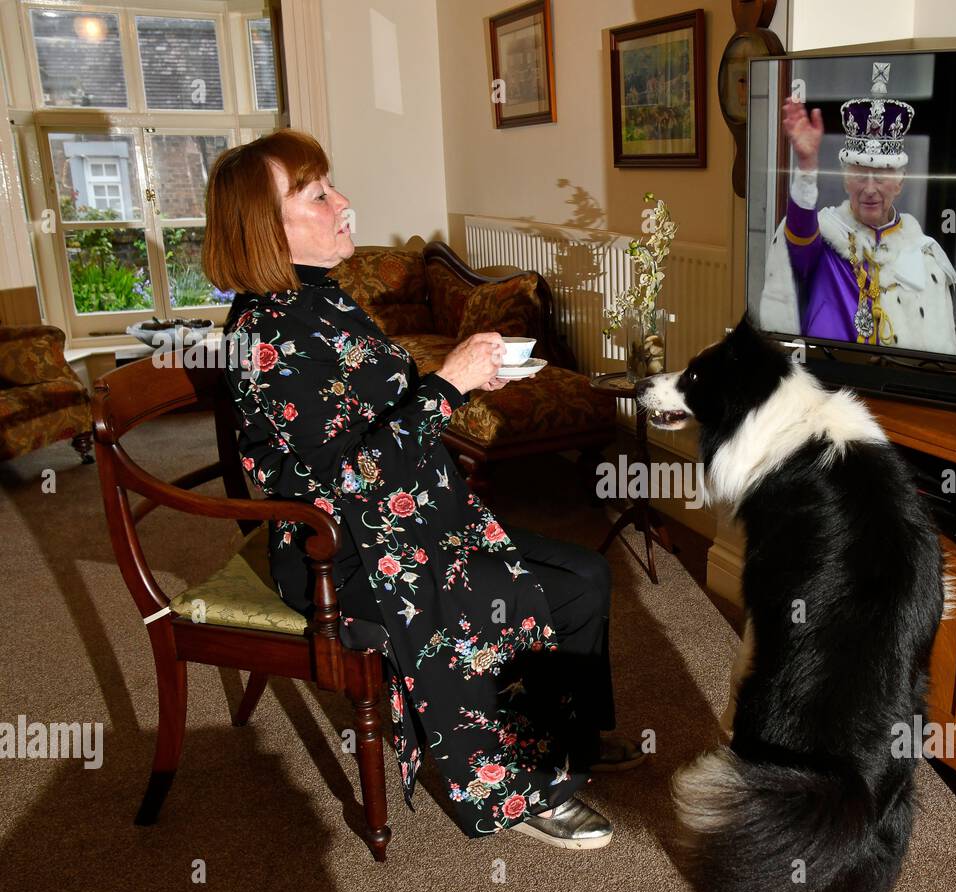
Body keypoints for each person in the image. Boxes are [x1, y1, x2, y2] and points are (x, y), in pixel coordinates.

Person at [202, 130, 641, 849]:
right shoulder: (268, 336)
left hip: (408, 521)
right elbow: (345, 478)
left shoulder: (319, 298)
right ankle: (523, 787)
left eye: (331, 185)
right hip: (340, 553)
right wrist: (446, 385)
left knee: (586, 575)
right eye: (316, 194)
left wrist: (466, 378)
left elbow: (375, 401)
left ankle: (568, 742)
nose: (342, 201)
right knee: (511, 593)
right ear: (265, 228)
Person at [759, 62, 956, 354]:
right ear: (844, 178)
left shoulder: (924, 255)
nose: (869, 188)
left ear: (900, 182)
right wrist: (806, 165)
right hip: (829, 384)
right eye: (858, 172)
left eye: (880, 175)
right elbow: (799, 236)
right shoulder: (824, 239)